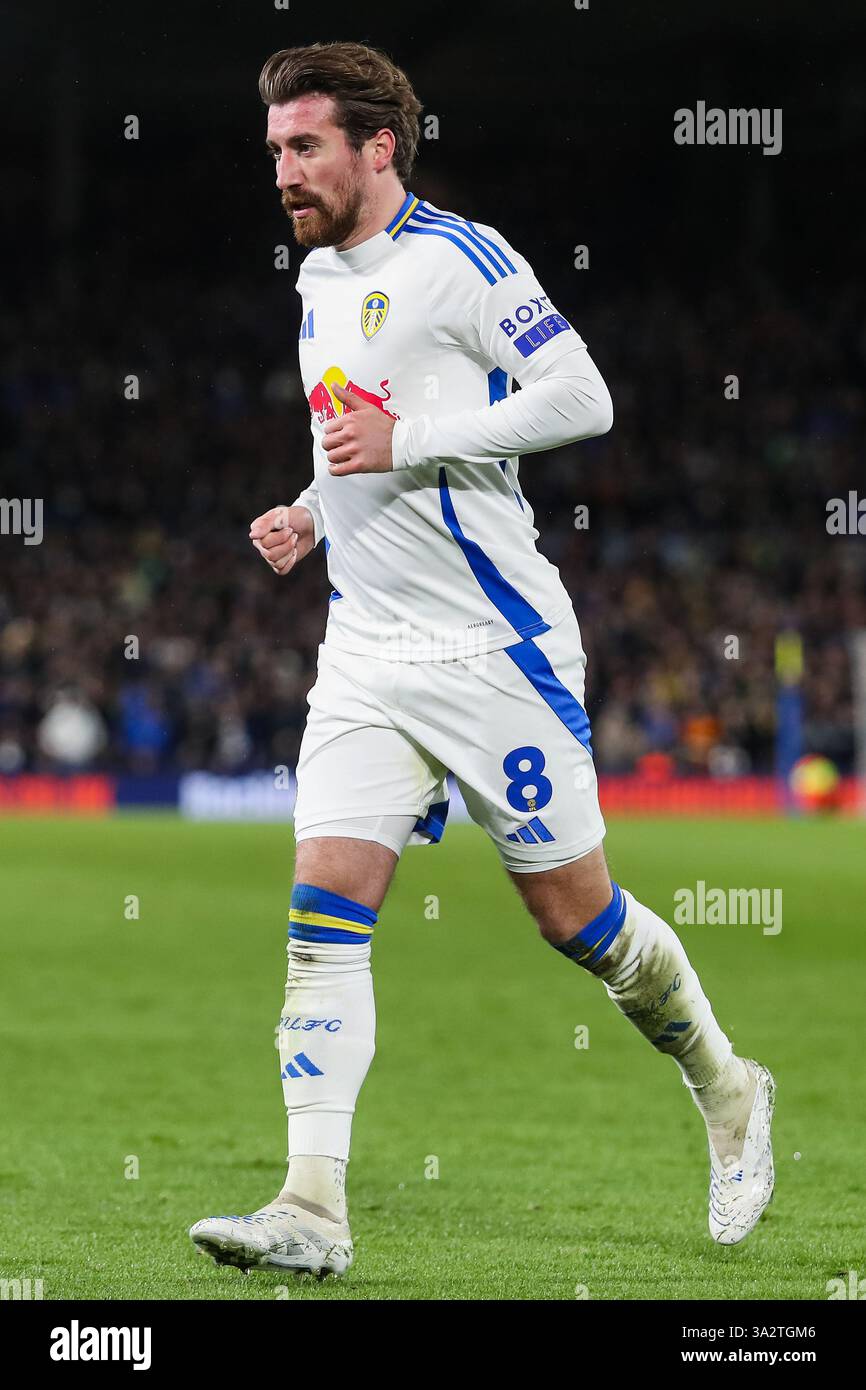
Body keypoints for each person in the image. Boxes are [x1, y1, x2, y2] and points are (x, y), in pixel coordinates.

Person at [189, 40, 774, 1278]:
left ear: (378, 146)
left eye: (305, 147)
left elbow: (581, 396)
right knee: (320, 922)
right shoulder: (316, 277)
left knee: (581, 924)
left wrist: (412, 440)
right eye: (275, 150)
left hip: (490, 648)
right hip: (364, 649)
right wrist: (309, 503)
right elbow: (354, 421)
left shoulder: (461, 259)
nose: (283, 170)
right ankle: (311, 1206)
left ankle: (726, 1087)